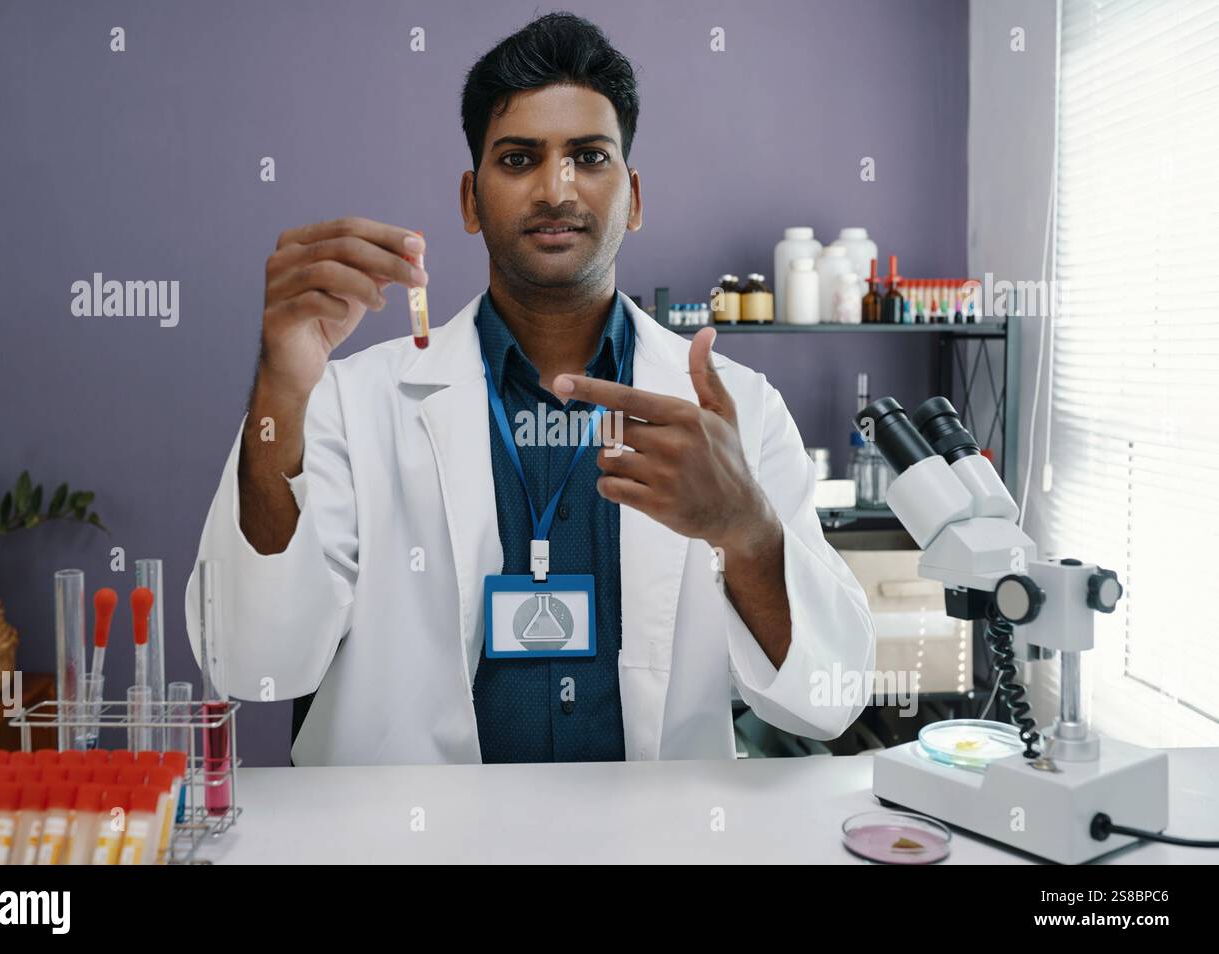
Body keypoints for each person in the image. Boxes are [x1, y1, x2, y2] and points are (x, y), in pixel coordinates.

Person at [185, 12, 875, 765]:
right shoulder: (354, 402)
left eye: (589, 155)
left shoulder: (730, 410)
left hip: (653, 839)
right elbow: (250, 659)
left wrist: (747, 532)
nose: (556, 188)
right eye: (518, 159)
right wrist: (281, 387)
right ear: (470, 201)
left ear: (634, 197)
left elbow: (828, 700)